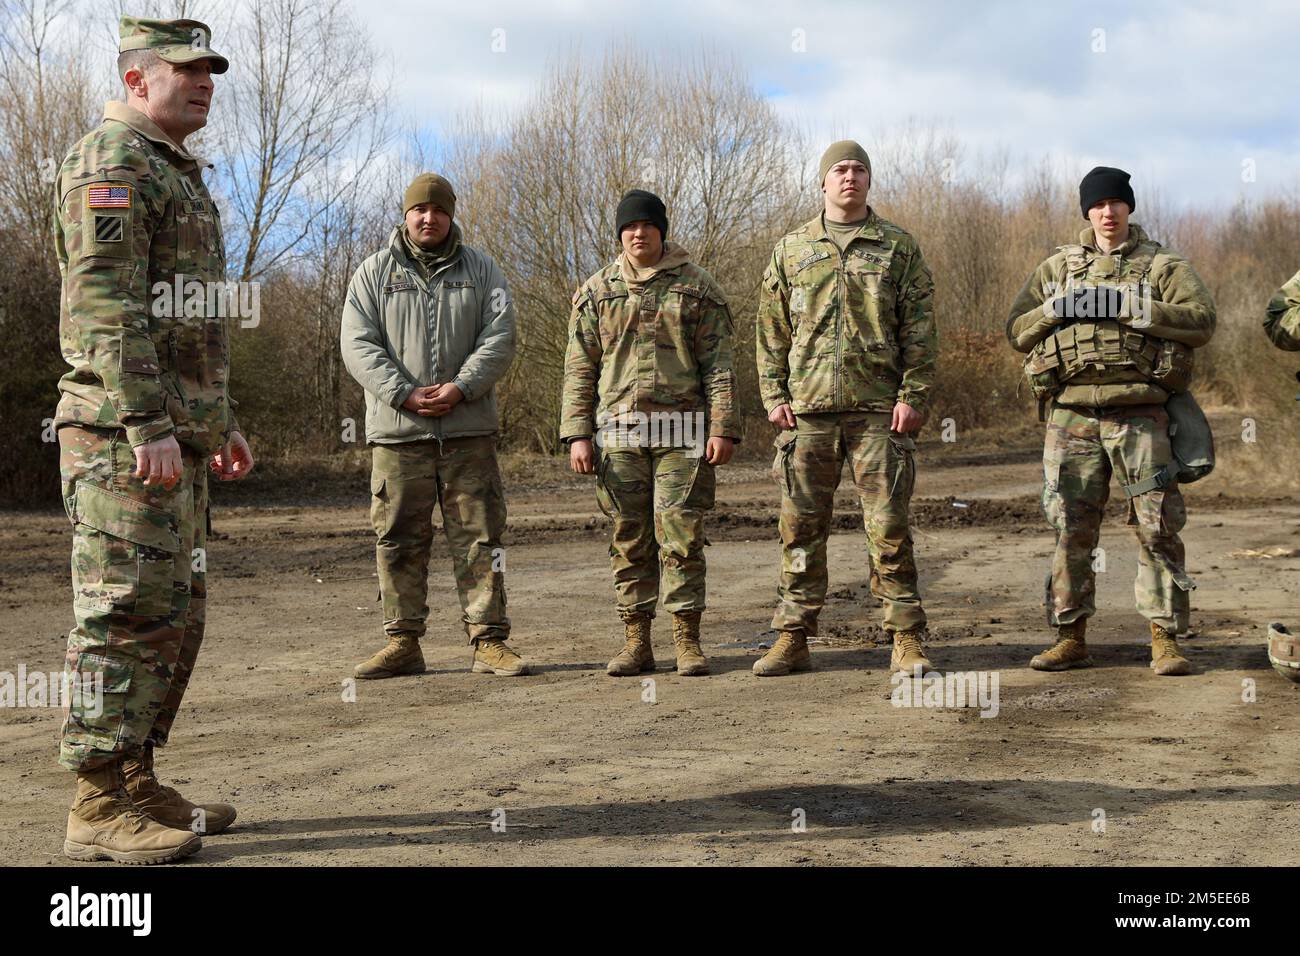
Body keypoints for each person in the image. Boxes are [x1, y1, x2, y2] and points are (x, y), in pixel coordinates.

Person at [54, 16, 250, 864]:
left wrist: (216, 420)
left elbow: (182, 322)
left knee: (174, 617)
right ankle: (96, 801)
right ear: (137, 80)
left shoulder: (174, 172)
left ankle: (135, 778)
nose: (204, 82)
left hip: (173, 438)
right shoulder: (113, 163)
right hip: (120, 440)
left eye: (210, 71)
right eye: (186, 70)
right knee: (125, 616)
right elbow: (103, 305)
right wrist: (146, 420)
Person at [1007, 166, 1216, 675]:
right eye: (1098, 204)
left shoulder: (1162, 264)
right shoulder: (1057, 267)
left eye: (1115, 203)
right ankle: (1070, 636)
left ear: (1129, 207)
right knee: (1070, 527)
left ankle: (1164, 639)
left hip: (1140, 415)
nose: (1107, 212)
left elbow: (1202, 321)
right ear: (1087, 211)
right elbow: (1017, 330)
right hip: (1072, 415)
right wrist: (1054, 310)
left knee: (1156, 523)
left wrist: (1135, 308)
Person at [754, 141, 940, 677]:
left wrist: (913, 396)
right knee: (799, 528)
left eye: (859, 169)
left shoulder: (897, 247)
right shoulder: (792, 249)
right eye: (840, 169)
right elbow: (770, 330)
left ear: (869, 180)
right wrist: (774, 396)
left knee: (889, 527)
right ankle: (793, 636)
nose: (850, 177)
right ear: (823, 181)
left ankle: (905, 637)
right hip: (807, 412)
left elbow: (921, 330)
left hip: (879, 411)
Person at [341, 173, 527, 679]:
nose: (429, 218)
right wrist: (403, 392)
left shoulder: (483, 270)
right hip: (398, 433)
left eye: (439, 210)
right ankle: (402, 642)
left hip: (468, 432)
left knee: (482, 539)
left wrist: (461, 387)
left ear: (451, 215)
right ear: (405, 215)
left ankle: (489, 641)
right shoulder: (373, 273)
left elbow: (501, 335)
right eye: (420, 210)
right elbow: (357, 343)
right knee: (398, 538)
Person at [561, 189, 739, 677]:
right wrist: (577, 433)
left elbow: (720, 365)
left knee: (682, 536)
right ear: (620, 234)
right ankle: (637, 641)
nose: (638, 233)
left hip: (684, 433)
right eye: (629, 227)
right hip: (618, 435)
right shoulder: (597, 291)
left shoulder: (698, 287)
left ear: (662, 230)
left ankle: (687, 641)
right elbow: (579, 369)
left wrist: (722, 428)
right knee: (629, 538)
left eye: (647, 225)